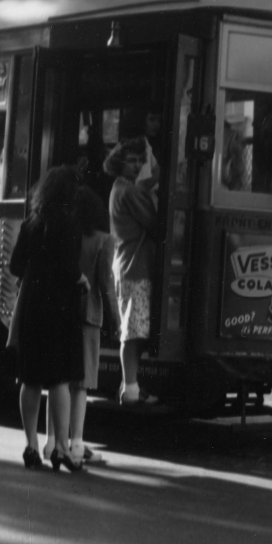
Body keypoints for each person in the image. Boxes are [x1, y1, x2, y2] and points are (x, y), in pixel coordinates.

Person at [7, 165, 86, 472]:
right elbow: (69, 267)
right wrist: (81, 279)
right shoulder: (70, 223)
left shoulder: (31, 223)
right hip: (60, 307)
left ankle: (30, 445)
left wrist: (35, 269)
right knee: (59, 379)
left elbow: (15, 266)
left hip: (32, 304)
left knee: (30, 378)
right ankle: (61, 448)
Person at [44, 185, 119, 465]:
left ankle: (52, 441)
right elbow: (105, 284)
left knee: (59, 380)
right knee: (81, 384)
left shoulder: (65, 236)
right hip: (89, 314)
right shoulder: (104, 241)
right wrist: (116, 319)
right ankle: (76, 443)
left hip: (62, 312)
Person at [105, 137, 162, 405]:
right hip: (135, 265)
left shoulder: (121, 187)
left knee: (134, 330)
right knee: (133, 332)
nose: (138, 165)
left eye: (141, 160)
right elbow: (155, 223)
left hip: (127, 263)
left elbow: (145, 184)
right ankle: (130, 390)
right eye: (132, 161)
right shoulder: (129, 192)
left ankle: (130, 386)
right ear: (121, 163)